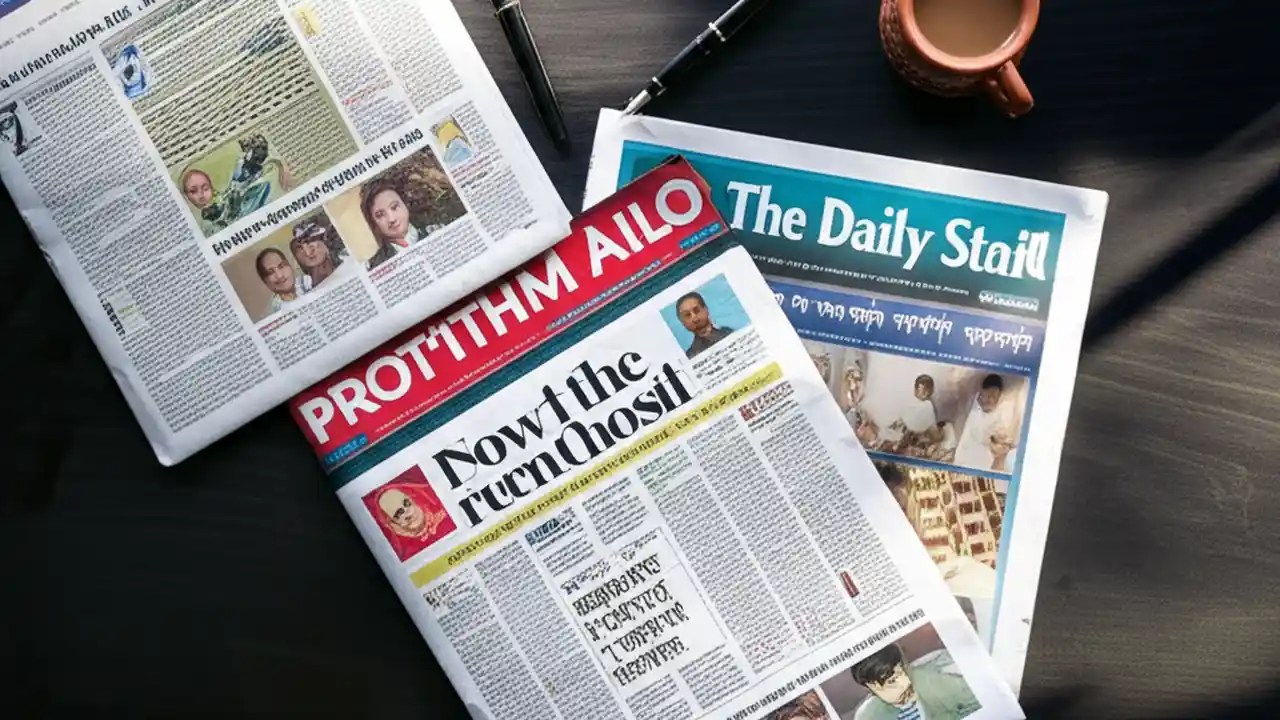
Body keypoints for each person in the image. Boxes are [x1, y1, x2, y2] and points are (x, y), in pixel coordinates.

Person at [849, 643, 981, 720]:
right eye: (892, 681)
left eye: (903, 670)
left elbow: (979, 703)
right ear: (871, 687)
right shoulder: (868, 716)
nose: (906, 683)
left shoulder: (934, 680)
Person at [361, 179, 447, 271]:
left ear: (405, 204)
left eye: (394, 207)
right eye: (380, 215)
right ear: (373, 222)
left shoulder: (437, 231)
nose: (391, 219)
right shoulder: (375, 266)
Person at [953, 374, 1019, 472]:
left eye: (994, 396)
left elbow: (999, 438)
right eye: (987, 396)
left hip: (987, 460)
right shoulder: (976, 407)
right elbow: (969, 436)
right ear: (981, 394)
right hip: (967, 457)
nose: (990, 399)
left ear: (1000, 395)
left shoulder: (1006, 408)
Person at [371, 484, 452, 560]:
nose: (408, 511)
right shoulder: (402, 552)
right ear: (393, 523)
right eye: (399, 513)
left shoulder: (443, 507)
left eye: (406, 503)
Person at [289, 220, 354, 291]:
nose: (307, 251)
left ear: (325, 241)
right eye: (299, 247)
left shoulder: (350, 262)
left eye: (311, 240)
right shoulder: (301, 291)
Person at [676, 291, 733, 358]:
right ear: (682, 322)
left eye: (697, 310)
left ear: (706, 309)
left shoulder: (728, 333)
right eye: (687, 315)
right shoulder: (690, 355)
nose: (694, 318)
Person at [255, 248, 305, 315]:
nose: (279, 276)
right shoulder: (272, 313)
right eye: (270, 272)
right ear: (265, 281)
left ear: (290, 266)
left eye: (281, 266)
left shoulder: (310, 281)